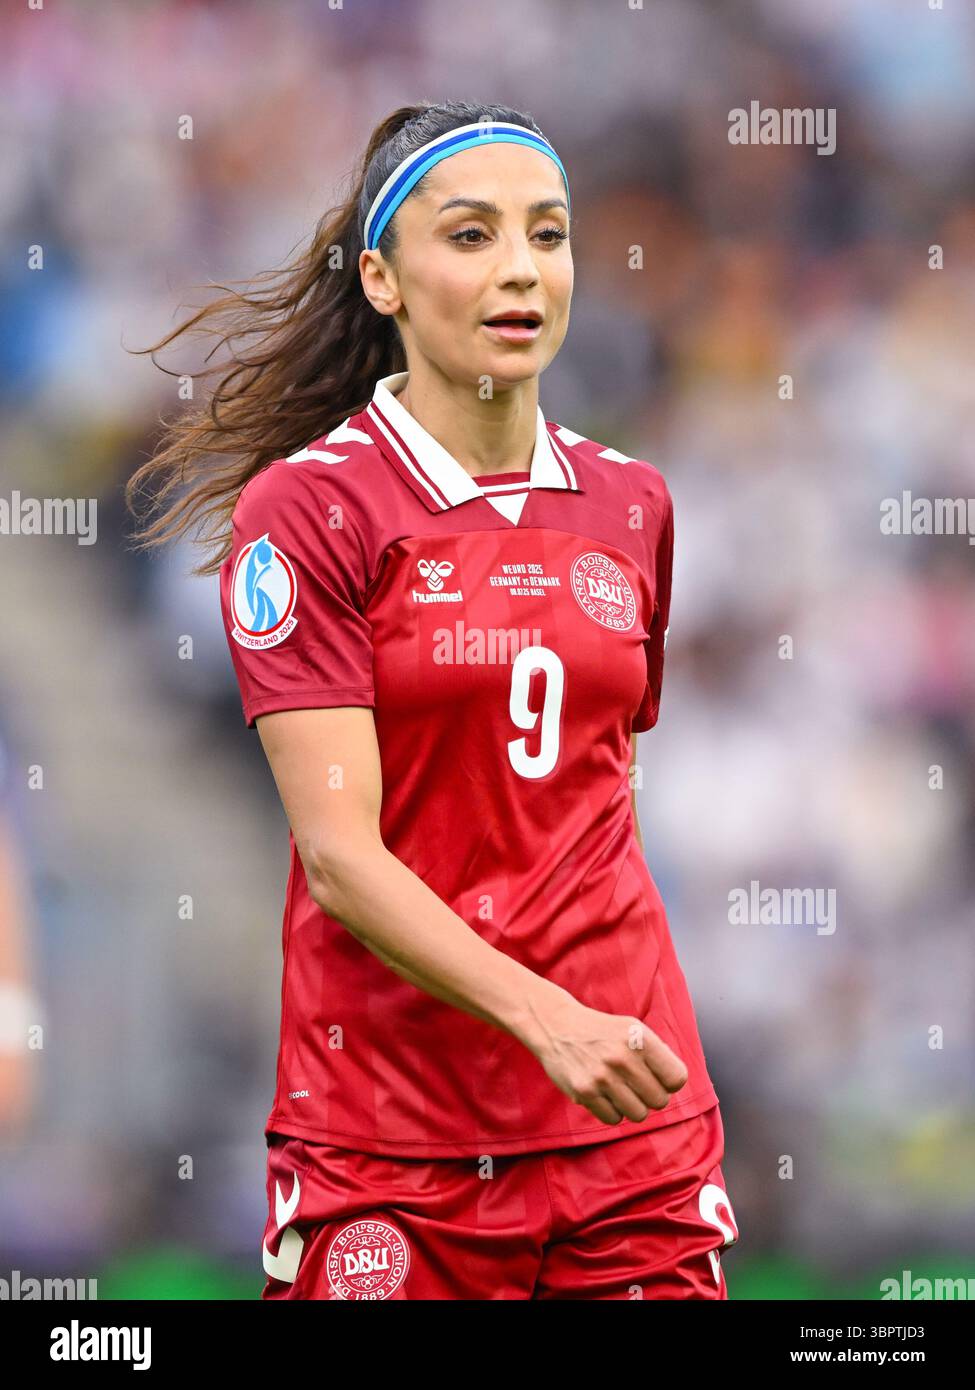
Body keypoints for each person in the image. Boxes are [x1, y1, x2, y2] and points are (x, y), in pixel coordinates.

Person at [126, 100, 738, 1300]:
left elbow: (592, 799)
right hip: (391, 1137)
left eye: (548, 235)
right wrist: (544, 1017)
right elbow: (343, 858)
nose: (521, 269)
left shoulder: (634, 505)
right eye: (470, 236)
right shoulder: (311, 514)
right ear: (383, 279)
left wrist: (592, 1018)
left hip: (629, 1127)